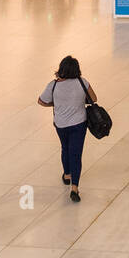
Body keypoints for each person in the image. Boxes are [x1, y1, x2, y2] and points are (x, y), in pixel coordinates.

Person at [37, 55, 96, 203]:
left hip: (61, 124)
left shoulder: (53, 85)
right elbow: (94, 99)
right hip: (79, 124)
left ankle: (67, 175)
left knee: (65, 148)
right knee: (76, 154)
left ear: (61, 68)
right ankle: (74, 188)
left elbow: (41, 101)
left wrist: (56, 104)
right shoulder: (83, 82)